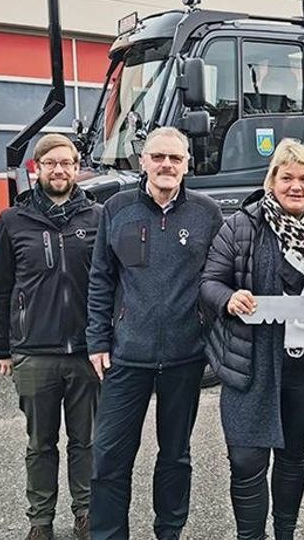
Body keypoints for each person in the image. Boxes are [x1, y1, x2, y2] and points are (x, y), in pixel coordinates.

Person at [200, 138, 304, 540]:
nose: (296, 186)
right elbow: (209, 283)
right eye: (286, 177)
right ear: (271, 180)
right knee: (246, 460)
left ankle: (285, 533)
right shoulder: (242, 227)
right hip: (252, 366)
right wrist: (229, 297)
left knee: (293, 458)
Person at [85, 127, 223, 540]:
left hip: (184, 356)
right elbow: (100, 280)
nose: (167, 165)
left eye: (175, 159)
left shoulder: (206, 213)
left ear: (186, 165)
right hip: (126, 356)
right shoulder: (116, 209)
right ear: (142, 161)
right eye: (158, 157)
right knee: (110, 457)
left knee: (175, 457)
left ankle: (170, 531)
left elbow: (217, 279)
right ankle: (109, 534)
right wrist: (98, 341)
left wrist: (210, 340)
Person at [0, 133, 101, 540]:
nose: (59, 170)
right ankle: (41, 520)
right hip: (34, 353)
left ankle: (86, 513)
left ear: (76, 167)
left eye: (66, 163)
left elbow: (112, 285)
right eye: (50, 163)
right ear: (36, 168)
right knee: (41, 444)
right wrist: (3, 348)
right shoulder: (12, 221)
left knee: (86, 442)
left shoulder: (97, 217)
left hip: (88, 352)